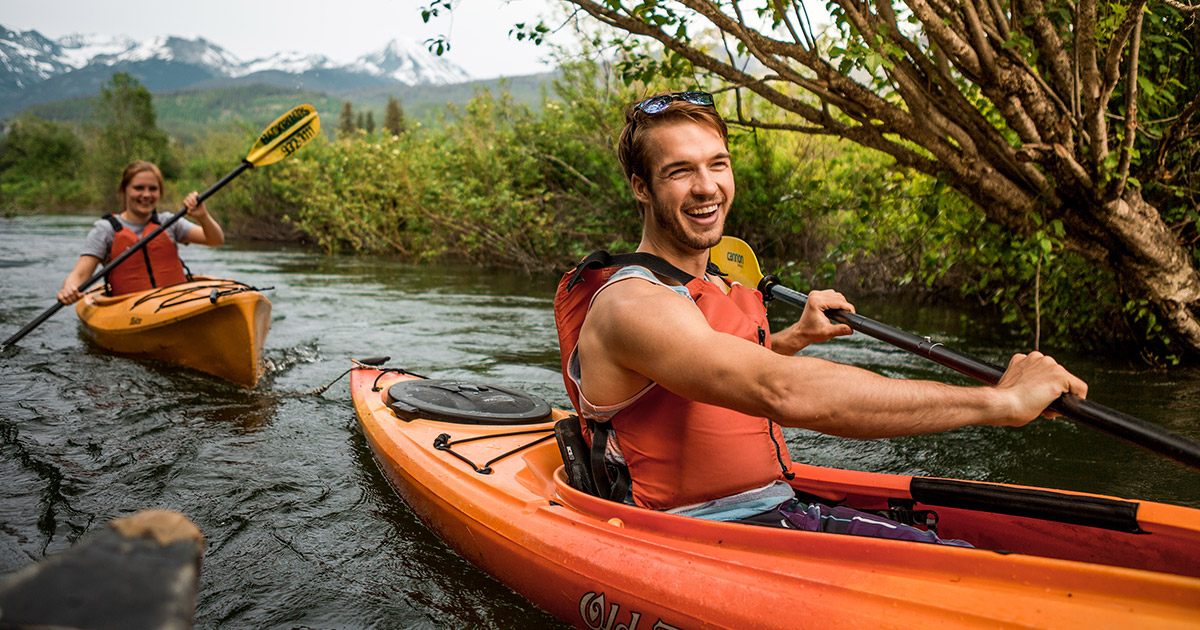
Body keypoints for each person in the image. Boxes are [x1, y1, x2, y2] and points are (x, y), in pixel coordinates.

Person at [553, 90, 1088, 545]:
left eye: (718, 164)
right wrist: (1000, 402)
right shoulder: (632, 304)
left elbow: (711, 372)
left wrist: (793, 338)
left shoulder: (712, 282)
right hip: (699, 531)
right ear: (641, 187)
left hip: (771, 502)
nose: (707, 186)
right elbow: (780, 391)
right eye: (680, 171)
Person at [57, 161, 224, 304]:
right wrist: (69, 289)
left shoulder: (169, 221)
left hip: (176, 302)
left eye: (153, 189)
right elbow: (80, 274)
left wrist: (203, 216)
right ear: (124, 190)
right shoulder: (105, 230)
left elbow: (216, 240)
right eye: (138, 188)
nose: (146, 194)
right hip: (129, 310)